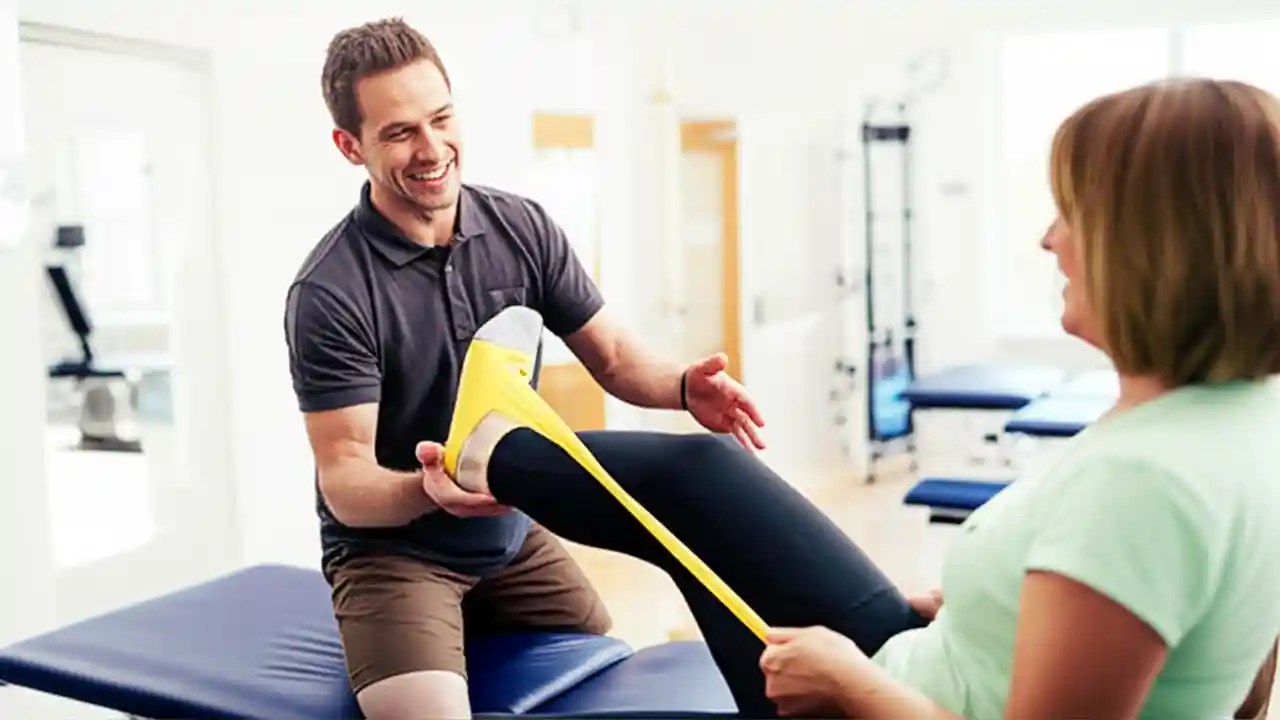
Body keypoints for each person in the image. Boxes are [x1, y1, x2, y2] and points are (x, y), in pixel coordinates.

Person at [420, 77, 1280, 719]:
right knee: (702, 473)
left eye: (1075, 213)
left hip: (878, 698)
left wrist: (848, 682)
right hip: (931, 658)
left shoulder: (1144, 482)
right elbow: (1231, 679)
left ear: (1156, 247)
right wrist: (995, 614)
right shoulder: (1241, 417)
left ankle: (488, 449)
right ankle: (495, 454)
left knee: (688, 488)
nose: (1048, 237)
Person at [282, 16, 766, 720]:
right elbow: (347, 480)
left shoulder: (521, 228)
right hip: (393, 553)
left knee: (604, 666)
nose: (431, 149)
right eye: (399, 133)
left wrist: (684, 388)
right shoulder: (330, 291)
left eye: (441, 118)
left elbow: (616, 357)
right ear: (349, 146)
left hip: (509, 534)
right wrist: (432, 489)